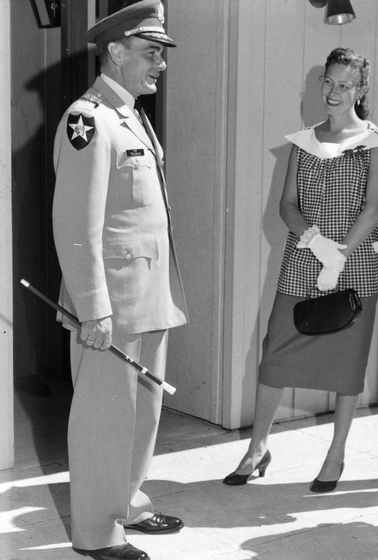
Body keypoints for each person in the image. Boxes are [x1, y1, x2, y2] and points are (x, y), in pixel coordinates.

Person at [51, 2, 187, 560]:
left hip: (149, 295)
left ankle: (127, 501)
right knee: (105, 420)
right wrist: (93, 307)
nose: (160, 65)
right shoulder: (88, 119)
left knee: (143, 413)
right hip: (111, 302)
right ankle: (97, 532)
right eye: (151, 53)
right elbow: (76, 224)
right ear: (116, 51)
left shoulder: (130, 113)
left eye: (160, 54)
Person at [222, 47, 378, 493]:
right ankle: (258, 447)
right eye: (329, 82)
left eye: (345, 85)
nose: (334, 92)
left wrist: (340, 255)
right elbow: (287, 204)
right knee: (275, 354)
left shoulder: (375, 141)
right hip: (304, 259)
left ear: (361, 89)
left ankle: (335, 455)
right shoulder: (303, 140)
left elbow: (373, 209)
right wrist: (316, 244)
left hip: (356, 263)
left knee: (347, 364)